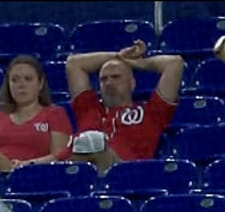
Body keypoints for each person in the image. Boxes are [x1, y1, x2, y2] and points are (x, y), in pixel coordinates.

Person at [62, 39, 184, 171]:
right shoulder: (88, 109)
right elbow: (73, 64)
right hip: (82, 173)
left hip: (126, 174)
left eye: (116, 77)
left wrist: (138, 62)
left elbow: (174, 64)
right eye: (104, 79)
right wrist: (120, 56)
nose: (109, 83)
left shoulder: (150, 113)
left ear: (132, 83)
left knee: (92, 141)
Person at [0, 54, 73, 172]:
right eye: (15, 80)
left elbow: (59, 158)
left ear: (40, 84)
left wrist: (24, 165)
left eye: (28, 79)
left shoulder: (54, 114)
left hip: (33, 176)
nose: (21, 85)